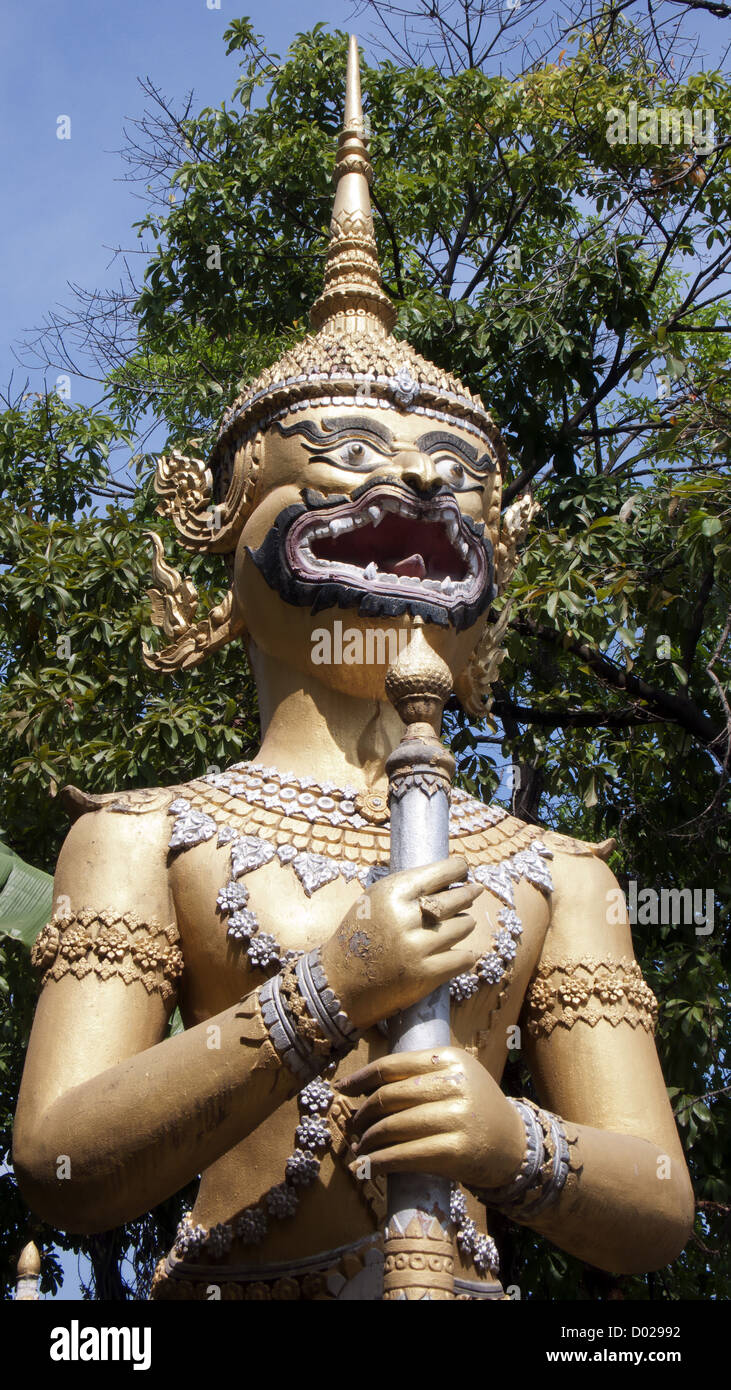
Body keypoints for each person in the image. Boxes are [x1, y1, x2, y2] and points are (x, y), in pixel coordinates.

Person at [13, 37, 694, 1301]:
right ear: (221, 532)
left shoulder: (553, 873)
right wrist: (330, 990)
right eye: (343, 447)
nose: (419, 478)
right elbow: (60, 1161)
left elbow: (656, 1207)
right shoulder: (146, 837)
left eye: (455, 465)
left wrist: (507, 1139)